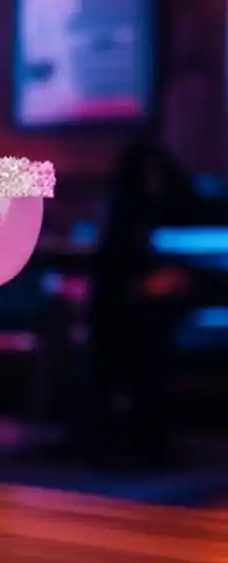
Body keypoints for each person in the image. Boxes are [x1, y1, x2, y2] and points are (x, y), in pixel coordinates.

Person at [89, 136, 197, 464]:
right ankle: (138, 437)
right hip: (120, 315)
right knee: (143, 343)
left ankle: (146, 434)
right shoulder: (124, 222)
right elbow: (112, 278)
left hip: (139, 314)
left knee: (153, 340)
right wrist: (140, 288)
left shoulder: (162, 213)